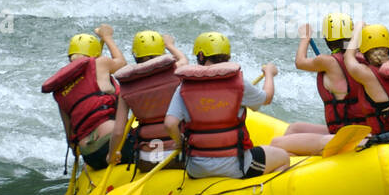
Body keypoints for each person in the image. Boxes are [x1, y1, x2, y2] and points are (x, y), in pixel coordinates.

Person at [164, 32, 292, 180]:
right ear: (227, 56)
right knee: (283, 158)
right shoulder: (238, 84)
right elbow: (267, 98)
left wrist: (180, 144)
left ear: (200, 56)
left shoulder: (184, 88)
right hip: (236, 166)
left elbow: (170, 124)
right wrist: (269, 73)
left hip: (196, 169)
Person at [40, 25, 127, 170]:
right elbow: (121, 63)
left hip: (90, 155)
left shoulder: (60, 90)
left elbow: (70, 138)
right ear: (96, 54)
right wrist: (107, 37)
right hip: (114, 144)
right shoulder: (100, 63)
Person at [107, 31, 190, 171]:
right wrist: (170, 45)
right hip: (179, 155)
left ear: (135, 56)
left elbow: (118, 132)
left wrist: (111, 155)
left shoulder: (126, 85)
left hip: (147, 160)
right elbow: (184, 60)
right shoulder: (176, 70)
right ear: (162, 53)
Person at [284, 12, 359, 135]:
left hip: (344, 133)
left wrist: (305, 38)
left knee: (284, 139)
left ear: (327, 39)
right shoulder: (362, 56)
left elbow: (300, 62)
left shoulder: (327, 61)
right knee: (295, 129)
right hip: (363, 127)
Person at [341, 20, 389, 134]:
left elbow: (348, 57)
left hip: (385, 137)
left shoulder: (366, 74)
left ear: (364, 50)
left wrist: (357, 31)